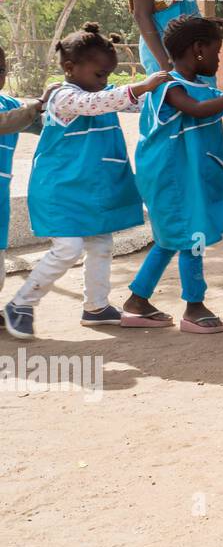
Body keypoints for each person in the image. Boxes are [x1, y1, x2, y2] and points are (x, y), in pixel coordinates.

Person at [3, 24, 169, 339]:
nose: (105, 82)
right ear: (70, 68)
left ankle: (95, 307)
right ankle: (21, 303)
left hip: (90, 190)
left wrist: (165, 94)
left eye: (108, 76)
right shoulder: (65, 96)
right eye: (100, 75)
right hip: (61, 191)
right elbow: (97, 104)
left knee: (101, 244)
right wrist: (140, 86)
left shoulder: (100, 94)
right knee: (68, 248)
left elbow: (130, 103)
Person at [126, 16, 223, 333]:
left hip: (187, 178)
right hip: (171, 179)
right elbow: (199, 110)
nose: (218, 58)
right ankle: (194, 306)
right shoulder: (169, 86)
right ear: (198, 50)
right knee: (192, 238)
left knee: (169, 239)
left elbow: (212, 103)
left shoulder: (202, 85)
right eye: (217, 51)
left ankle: (137, 302)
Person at [0, 45, 48, 300]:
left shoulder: (7, 103)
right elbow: (8, 122)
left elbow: (40, 125)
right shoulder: (13, 111)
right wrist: (36, 106)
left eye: (1, 69)